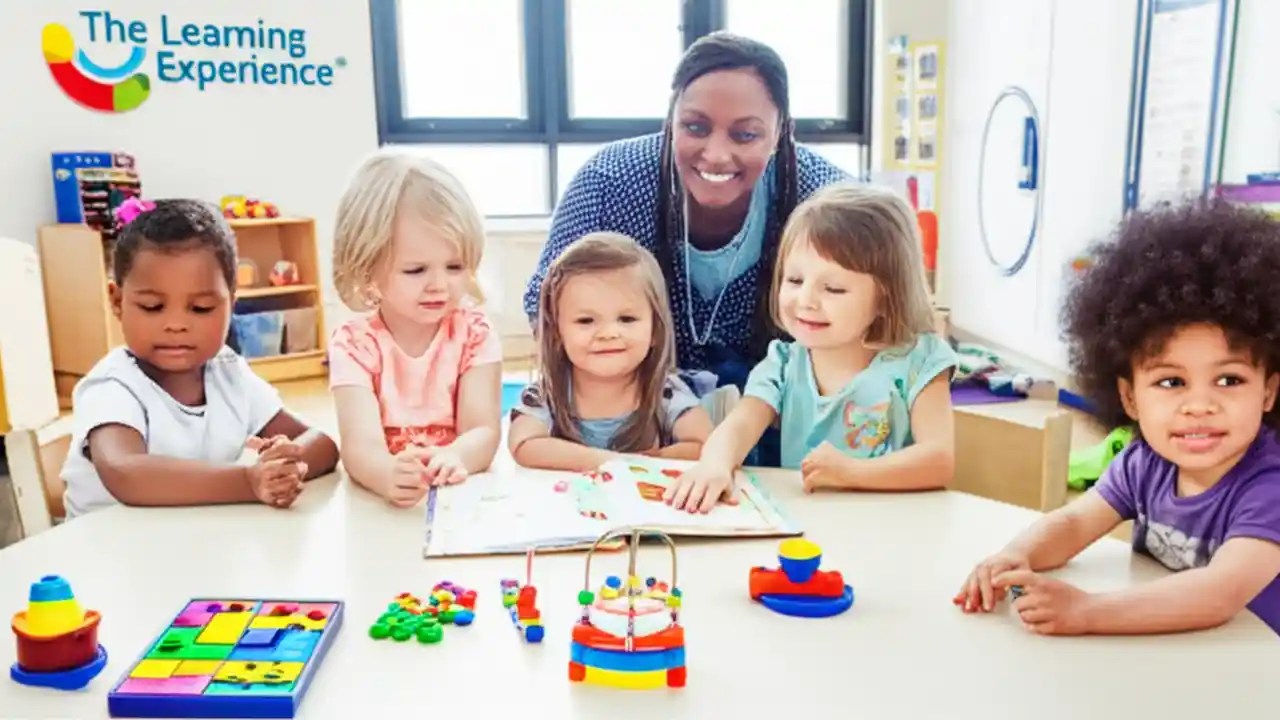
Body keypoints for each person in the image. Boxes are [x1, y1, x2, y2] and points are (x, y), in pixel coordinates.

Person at [956, 199, 1280, 637]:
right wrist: (1017, 555)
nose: (1200, 405)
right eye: (1171, 383)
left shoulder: (1269, 486)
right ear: (1129, 397)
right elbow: (1073, 522)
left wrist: (1087, 611)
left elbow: (1218, 592)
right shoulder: (1145, 461)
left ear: (1269, 391)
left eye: (1228, 381)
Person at [523, 31, 851, 432]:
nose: (715, 154)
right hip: (633, 418)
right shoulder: (610, 181)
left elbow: (885, 307)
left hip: (786, 420)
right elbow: (544, 300)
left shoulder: (825, 197)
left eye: (745, 134)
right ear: (670, 120)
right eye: (695, 127)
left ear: (782, 131)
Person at [665, 184, 957, 512]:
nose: (805, 301)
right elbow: (740, 424)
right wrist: (715, 465)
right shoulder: (783, 363)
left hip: (897, 523)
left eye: (832, 288)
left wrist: (852, 473)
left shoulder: (920, 359)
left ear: (887, 299)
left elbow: (939, 459)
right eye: (794, 281)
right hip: (809, 523)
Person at [60, 199, 339, 518]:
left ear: (231, 304)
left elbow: (323, 444)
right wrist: (247, 482)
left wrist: (286, 463)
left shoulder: (228, 372)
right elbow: (126, 472)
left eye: (201, 308)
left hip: (193, 544)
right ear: (118, 300)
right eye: (152, 307)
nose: (176, 324)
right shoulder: (113, 386)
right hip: (105, 554)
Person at [329, 150, 503, 508]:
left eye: (455, 267)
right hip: (387, 503)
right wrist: (385, 473)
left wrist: (457, 457)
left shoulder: (474, 334)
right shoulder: (355, 344)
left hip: (460, 497)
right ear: (367, 266)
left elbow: (483, 431)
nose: (439, 285)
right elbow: (359, 446)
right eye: (415, 270)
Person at [508, 232, 713, 471]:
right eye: (586, 321)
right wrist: (612, 463)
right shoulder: (549, 393)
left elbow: (706, 445)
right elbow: (523, 445)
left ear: (656, 330)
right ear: (556, 333)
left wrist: (644, 464)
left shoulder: (666, 392)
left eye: (626, 319)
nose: (608, 334)